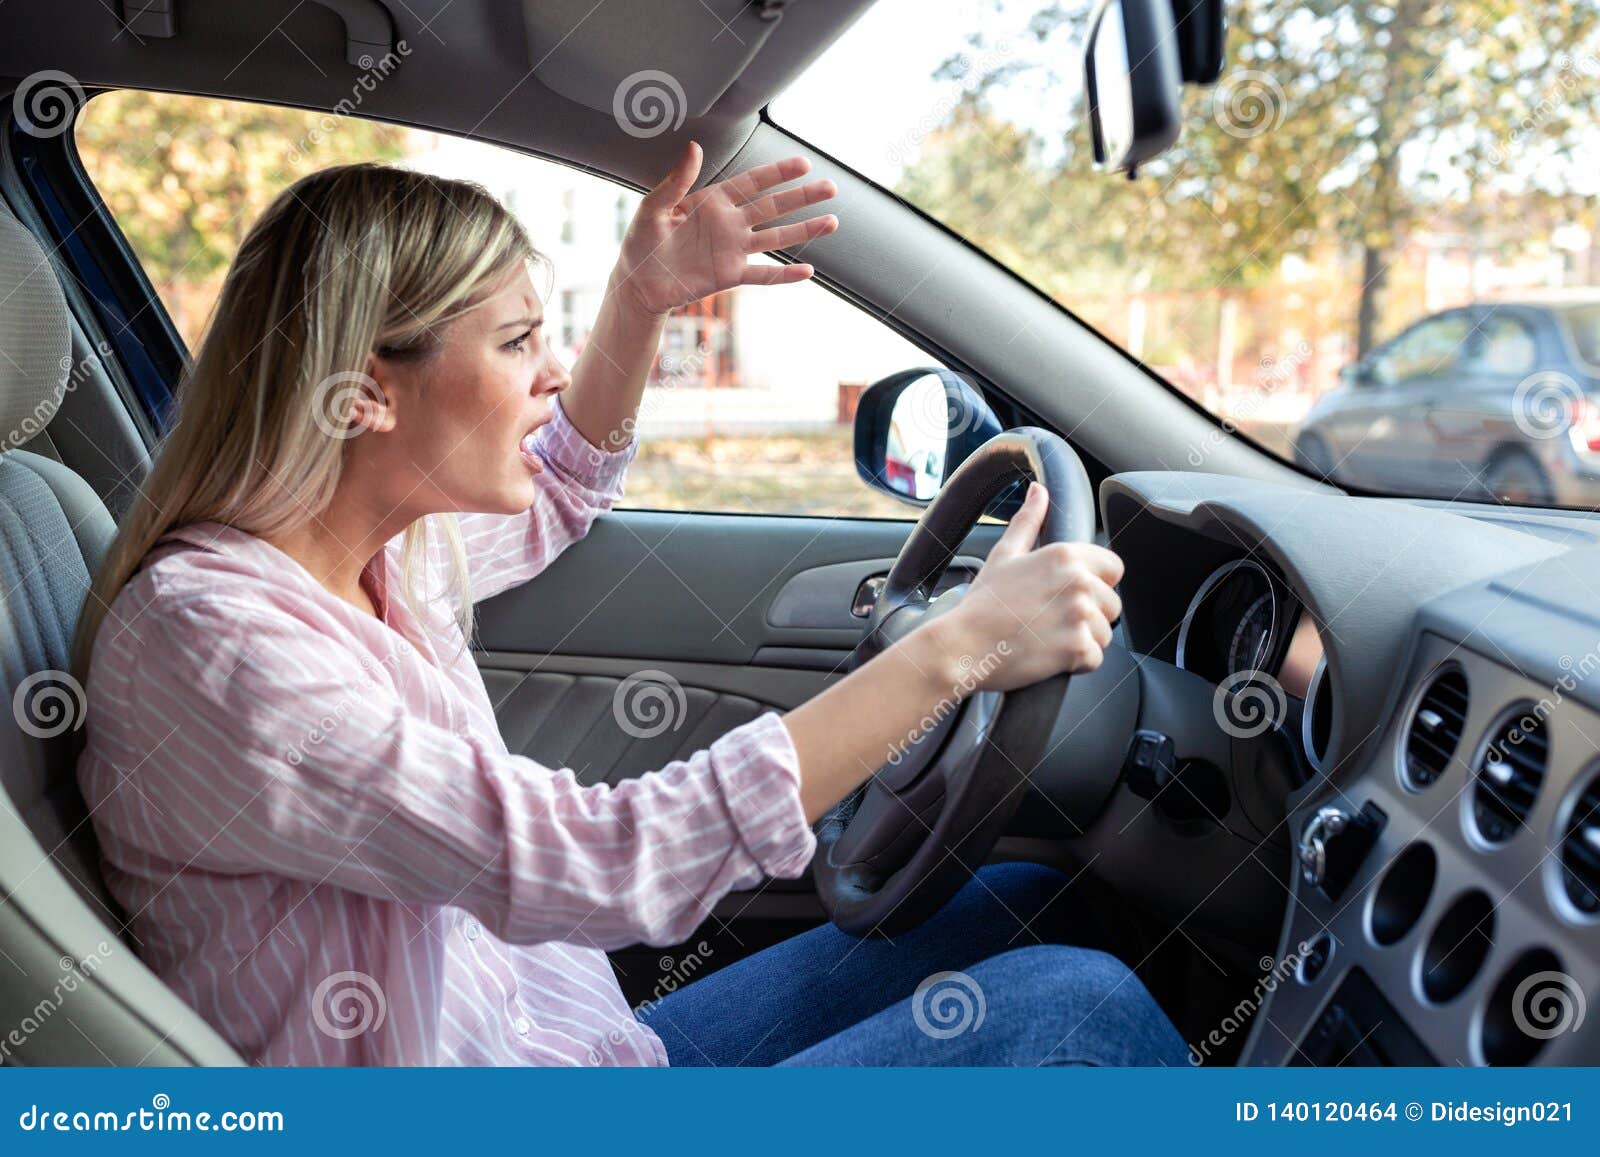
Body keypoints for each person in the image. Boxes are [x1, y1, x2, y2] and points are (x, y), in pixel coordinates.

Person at [71, 140, 1186, 1066]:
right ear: (365, 392)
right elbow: (596, 864)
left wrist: (642, 298)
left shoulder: (378, 552)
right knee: (1078, 1012)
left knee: (1032, 896)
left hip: (580, 1054)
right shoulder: (219, 644)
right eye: (518, 342)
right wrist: (955, 649)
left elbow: (560, 484)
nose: (551, 371)